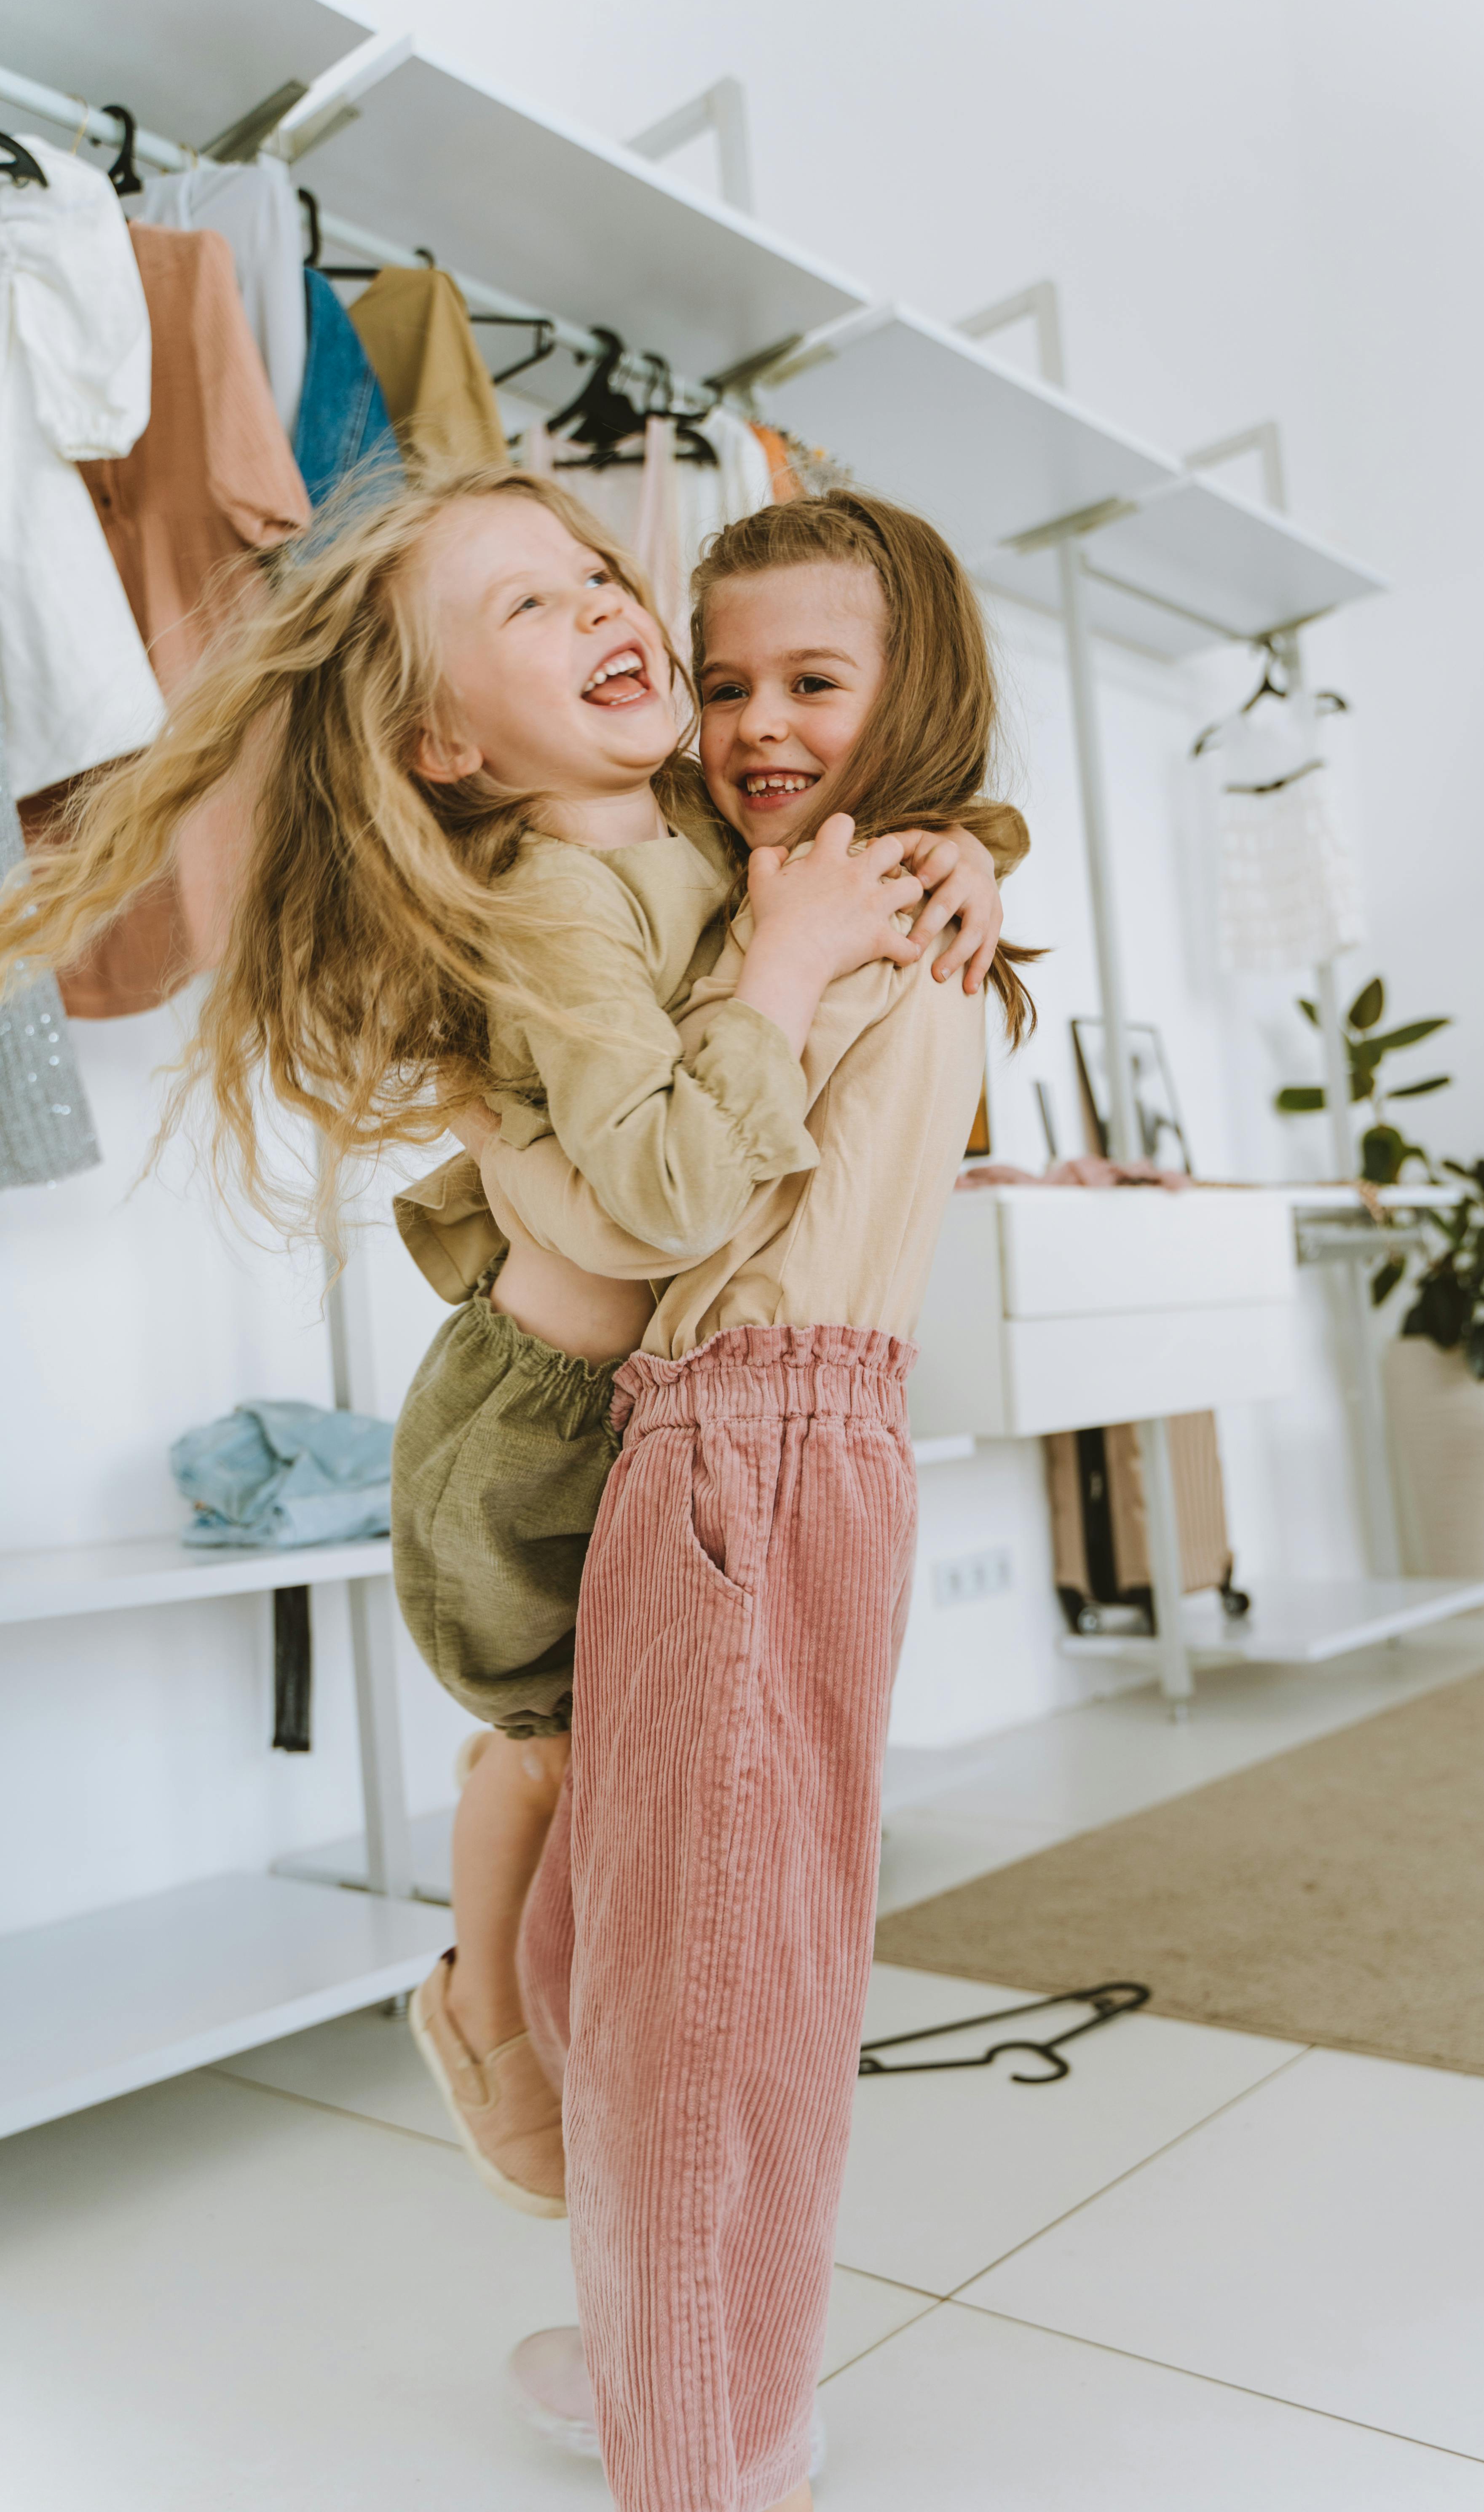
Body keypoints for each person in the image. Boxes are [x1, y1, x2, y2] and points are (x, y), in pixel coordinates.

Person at [0, 467, 1018, 2249]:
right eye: (526, 611)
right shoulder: (556, 899)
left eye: (595, 575)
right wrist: (778, 973)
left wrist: (961, 853)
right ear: (446, 746)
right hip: (531, 1450)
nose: (604, 612)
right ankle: (479, 2007)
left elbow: (828, 852)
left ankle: (547, 2041)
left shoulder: (697, 836)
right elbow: (671, 1196)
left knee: (598, 1775)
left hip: (614, 1414)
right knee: (552, 1755)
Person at [421, 491, 1037, 2512]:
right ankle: (665, 2373)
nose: (757, 720)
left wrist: (957, 845)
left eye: (815, 683)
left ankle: (705, 2444)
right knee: (666, 1943)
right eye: (728, 680)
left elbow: (725, 1121)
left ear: (913, 693)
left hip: (763, 1445)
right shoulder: (785, 887)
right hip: (725, 1437)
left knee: (714, 1998)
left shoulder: (859, 892)